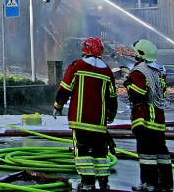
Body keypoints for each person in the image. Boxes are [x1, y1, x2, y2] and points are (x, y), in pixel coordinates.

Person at [53, 36, 118, 191]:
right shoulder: (107, 71)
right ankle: (103, 182)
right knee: (100, 153)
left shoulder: (76, 66)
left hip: (80, 120)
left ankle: (87, 183)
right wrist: (111, 114)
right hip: (99, 123)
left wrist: (57, 105)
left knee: (82, 151)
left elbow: (65, 89)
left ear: (85, 49)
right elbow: (112, 97)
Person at [124, 39, 172, 192]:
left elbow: (139, 94)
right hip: (158, 117)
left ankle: (149, 184)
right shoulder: (159, 70)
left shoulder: (139, 71)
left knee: (146, 153)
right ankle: (166, 184)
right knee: (161, 152)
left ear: (140, 53)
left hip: (145, 118)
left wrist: (128, 84)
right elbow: (161, 92)